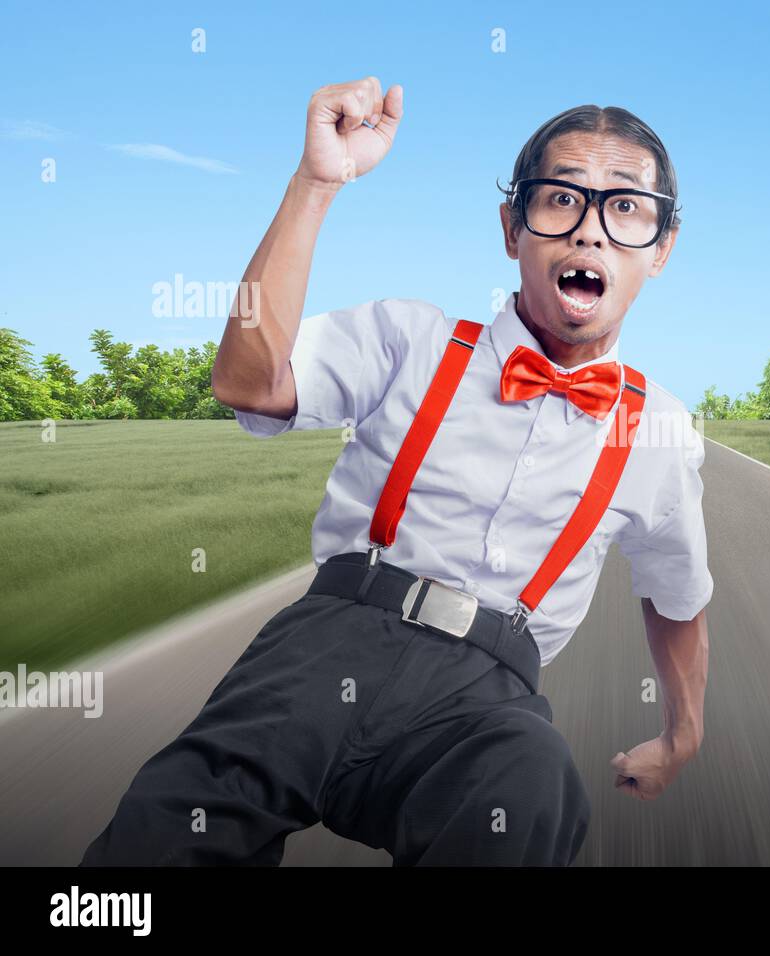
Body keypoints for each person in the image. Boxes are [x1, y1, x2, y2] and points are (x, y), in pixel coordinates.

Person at [79, 77, 712, 867]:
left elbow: (675, 594)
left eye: (625, 210)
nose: (589, 235)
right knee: (165, 831)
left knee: (534, 784)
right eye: (561, 201)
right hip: (325, 646)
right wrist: (317, 184)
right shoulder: (408, 338)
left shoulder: (660, 430)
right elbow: (247, 380)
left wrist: (680, 737)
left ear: (661, 250)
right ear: (512, 226)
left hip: (484, 702)